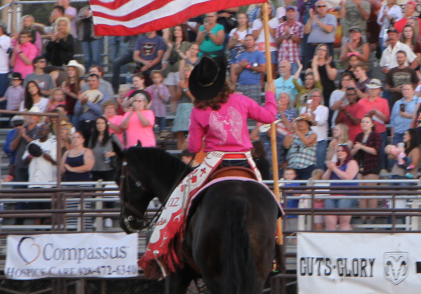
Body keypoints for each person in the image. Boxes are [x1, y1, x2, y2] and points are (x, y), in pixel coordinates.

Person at [142, 56, 279, 276]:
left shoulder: (198, 110)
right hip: (245, 160)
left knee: (181, 197)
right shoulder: (241, 100)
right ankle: (274, 251)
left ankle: (170, 247)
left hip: (215, 162)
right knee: (267, 200)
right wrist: (270, 92)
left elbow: (195, 148)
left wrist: (197, 136)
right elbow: (270, 116)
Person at [87, 116, 119, 182]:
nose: (100, 125)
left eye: (102, 123)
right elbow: (88, 151)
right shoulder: (92, 138)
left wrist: (111, 153)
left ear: (106, 125)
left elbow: (120, 150)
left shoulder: (112, 136)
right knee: (96, 190)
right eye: (98, 123)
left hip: (109, 168)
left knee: (109, 190)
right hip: (95, 168)